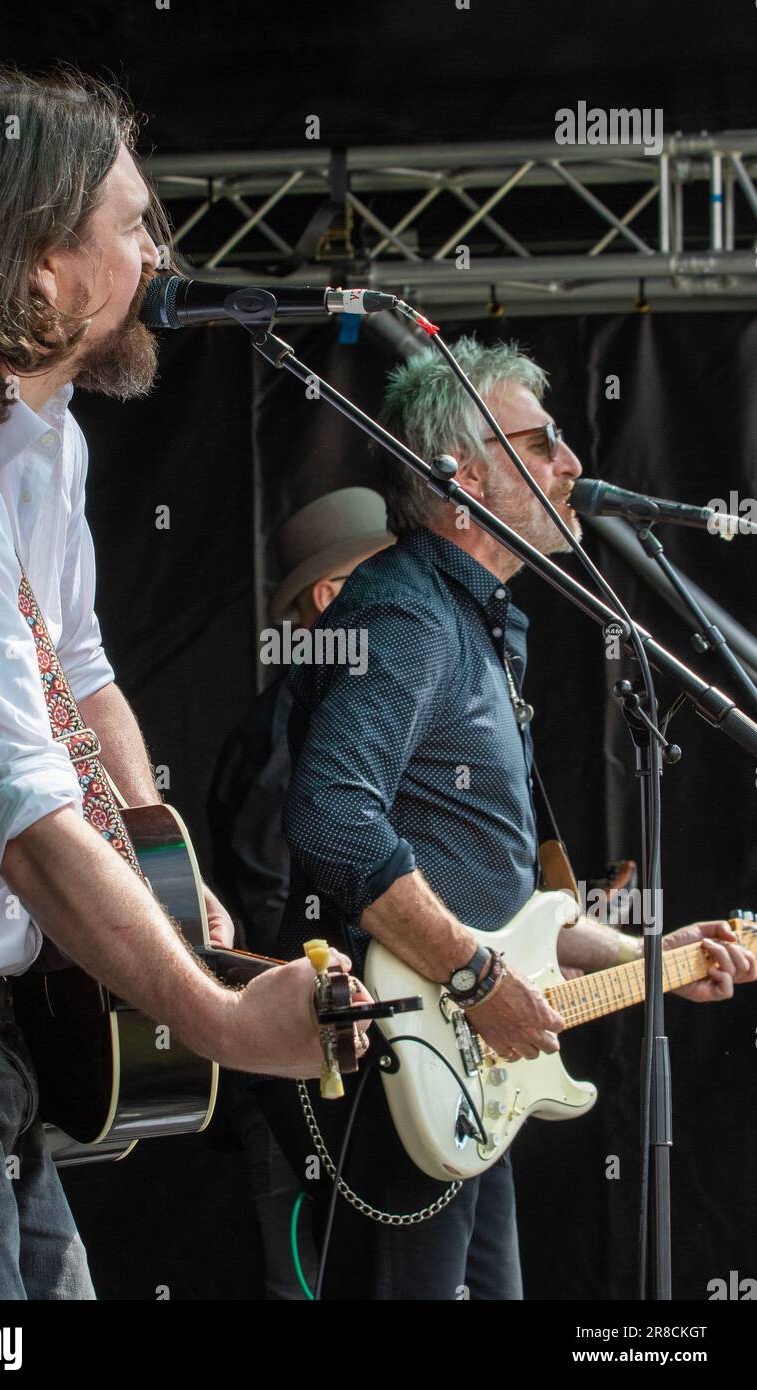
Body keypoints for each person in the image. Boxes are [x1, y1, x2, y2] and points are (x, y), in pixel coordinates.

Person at [0, 67, 362, 1301]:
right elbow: (22, 811)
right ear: (39, 269)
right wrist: (225, 1021)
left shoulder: (45, 443)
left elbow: (79, 679)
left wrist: (160, 865)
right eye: (134, 225)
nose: (160, 253)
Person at [258, 335, 757, 1301]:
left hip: (455, 1070)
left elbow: (510, 906)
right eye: (545, 443)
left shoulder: (476, 626)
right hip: (392, 1056)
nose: (574, 464)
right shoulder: (404, 611)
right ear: (464, 479)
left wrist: (660, 956)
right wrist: (477, 974)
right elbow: (333, 815)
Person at [208, 486, 394, 1298]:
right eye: (381, 576)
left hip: (354, 1068)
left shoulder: (352, 718)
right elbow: (268, 928)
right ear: (330, 597)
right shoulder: (286, 729)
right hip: (299, 1076)